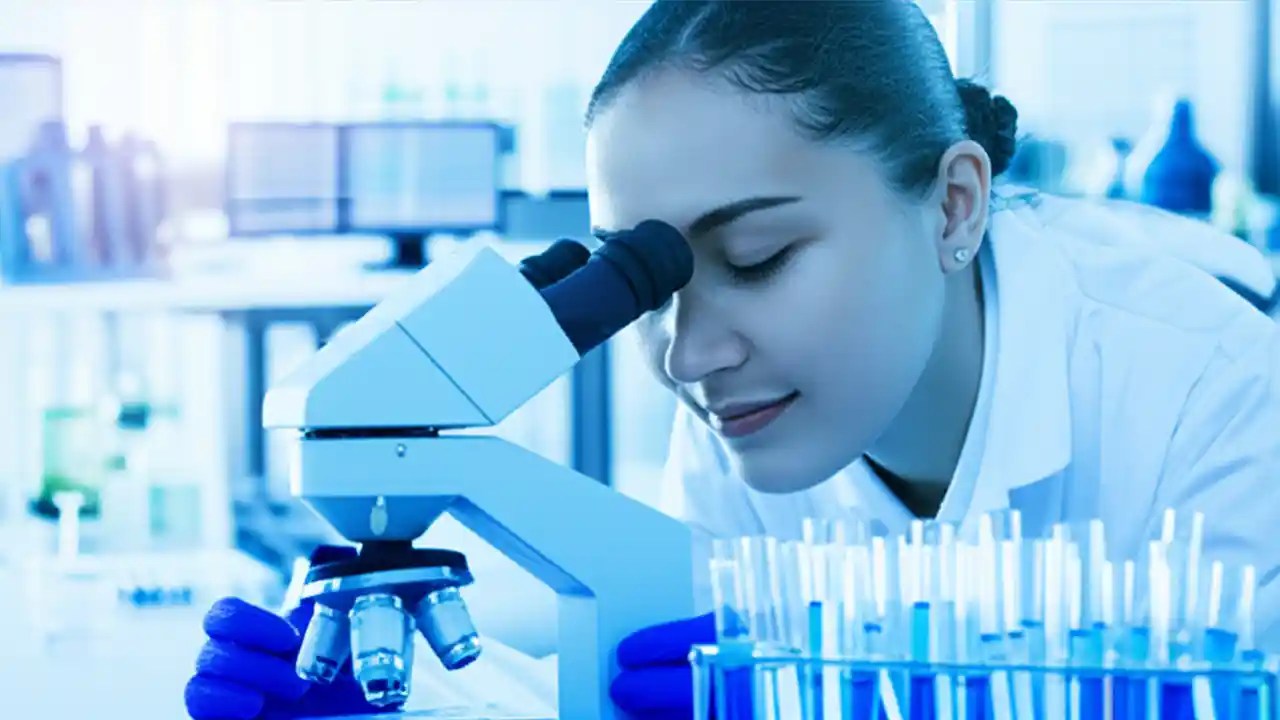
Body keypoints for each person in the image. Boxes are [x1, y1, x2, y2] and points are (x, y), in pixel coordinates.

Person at [186, 2, 1280, 718]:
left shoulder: (1217, 397)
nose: (686, 356)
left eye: (755, 257)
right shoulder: (740, 407)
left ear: (951, 204)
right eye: (654, 285)